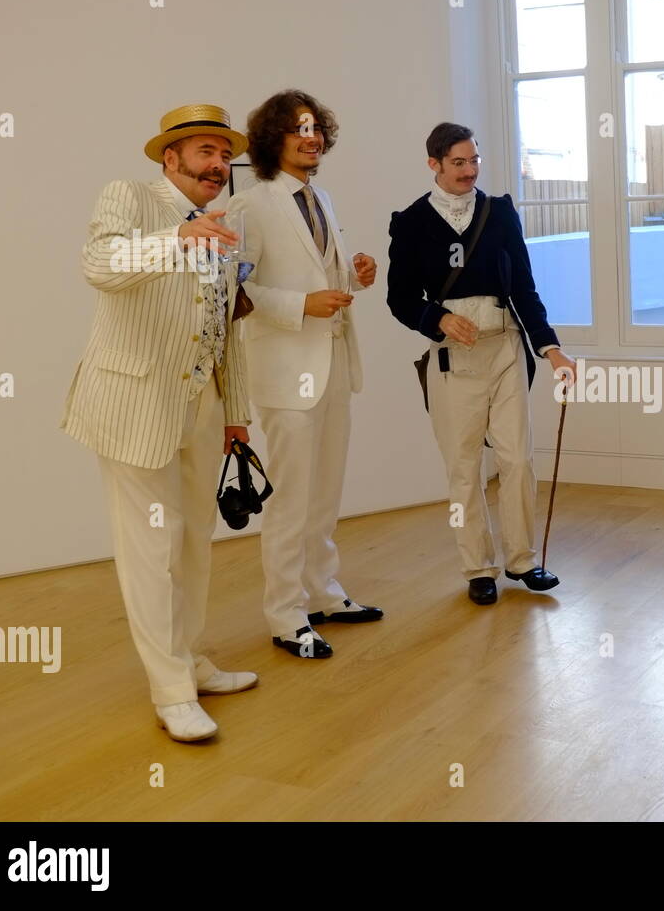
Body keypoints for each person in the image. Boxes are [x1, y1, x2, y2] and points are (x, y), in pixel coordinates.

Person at [61, 104, 257, 742]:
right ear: (169, 158)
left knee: (192, 542)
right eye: (205, 152)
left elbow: (228, 324)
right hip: (132, 406)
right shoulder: (129, 198)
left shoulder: (225, 225)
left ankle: (191, 660)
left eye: (225, 155)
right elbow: (101, 265)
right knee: (150, 550)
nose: (217, 165)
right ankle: (169, 689)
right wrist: (178, 236)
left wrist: (236, 414)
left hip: (201, 405)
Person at [386, 122, 576, 605]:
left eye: (475, 162)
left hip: (506, 349)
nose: (470, 171)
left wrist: (550, 349)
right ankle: (477, 567)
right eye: (458, 163)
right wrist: (439, 320)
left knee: (516, 457)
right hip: (453, 358)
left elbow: (524, 289)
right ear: (434, 164)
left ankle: (523, 561)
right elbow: (400, 299)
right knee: (464, 466)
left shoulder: (500, 215)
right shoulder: (409, 223)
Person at [232, 90, 382, 658]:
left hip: (336, 365)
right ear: (275, 138)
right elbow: (237, 289)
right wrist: (300, 305)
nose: (311, 135)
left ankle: (324, 591)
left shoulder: (324, 199)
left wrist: (360, 272)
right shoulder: (251, 205)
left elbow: (330, 275)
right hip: (286, 370)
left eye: (316, 126)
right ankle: (286, 613)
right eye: (298, 127)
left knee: (325, 492)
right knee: (293, 499)